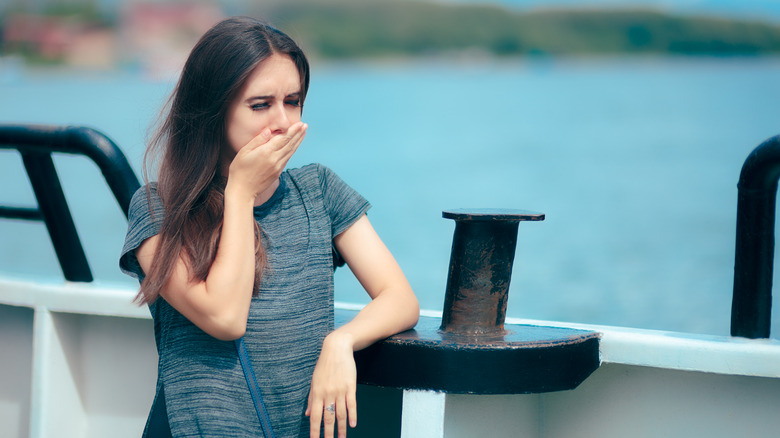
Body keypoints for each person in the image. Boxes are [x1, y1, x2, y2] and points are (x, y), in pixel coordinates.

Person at [119, 16, 419, 438]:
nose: (282, 122)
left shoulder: (319, 191)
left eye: (293, 101)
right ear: (213, 110)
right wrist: (240, 194)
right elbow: (225, 318)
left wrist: (341, 342)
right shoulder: (156, 209)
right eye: (260, 105)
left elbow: (400, 299)